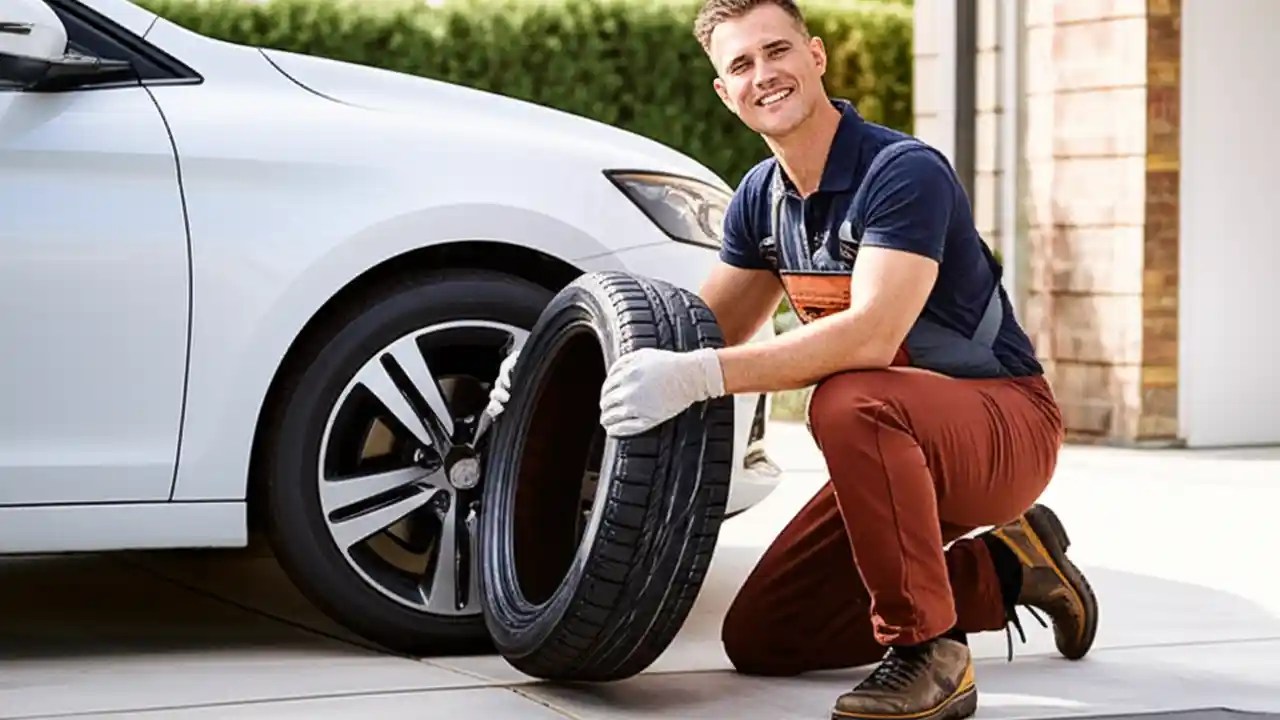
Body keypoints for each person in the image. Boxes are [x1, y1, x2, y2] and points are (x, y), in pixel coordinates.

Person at [486, 1, 1098, 718]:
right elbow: (703, 331)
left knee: (846, 399)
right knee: (767, 634)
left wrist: (699, 378)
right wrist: (543, 371)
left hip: (1004, 426)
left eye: (777, 51)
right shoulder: (761, 199)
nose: (764, 75)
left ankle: (932, 655)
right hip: (893, 444)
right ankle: (1011, 567)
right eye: (742, 65)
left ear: (816, 56)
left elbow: (870, 336)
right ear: (725, 92)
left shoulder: (902, 173)